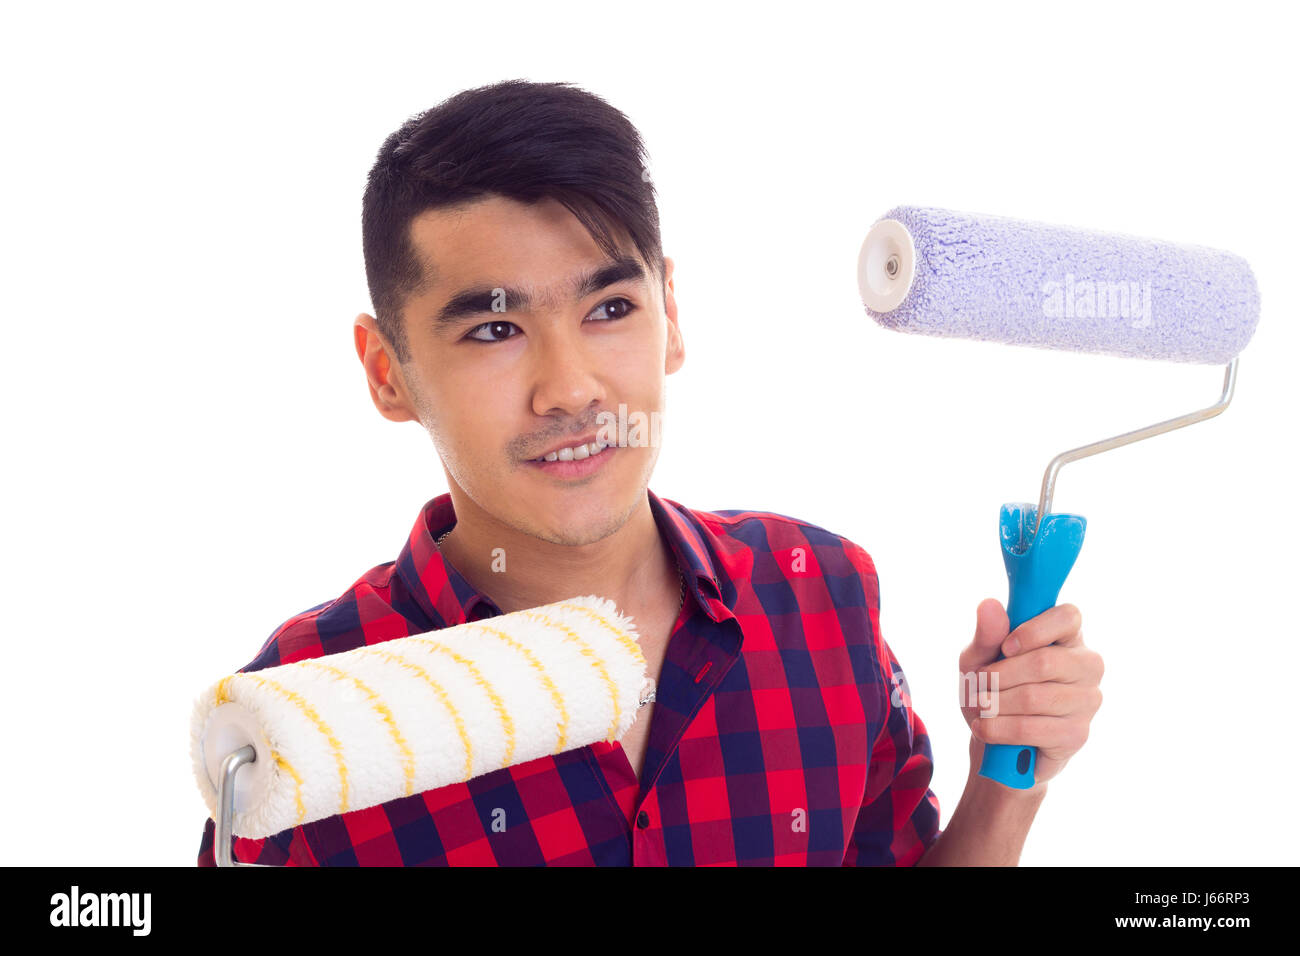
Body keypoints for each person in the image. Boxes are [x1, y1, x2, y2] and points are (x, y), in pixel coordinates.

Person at [197, 79, 1103, 866]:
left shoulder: (822, 595)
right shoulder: (307, 711)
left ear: (670, 313)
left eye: (609, 307)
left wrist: (1007, 774)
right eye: (494, 330)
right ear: (386, 370)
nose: (570, 389)